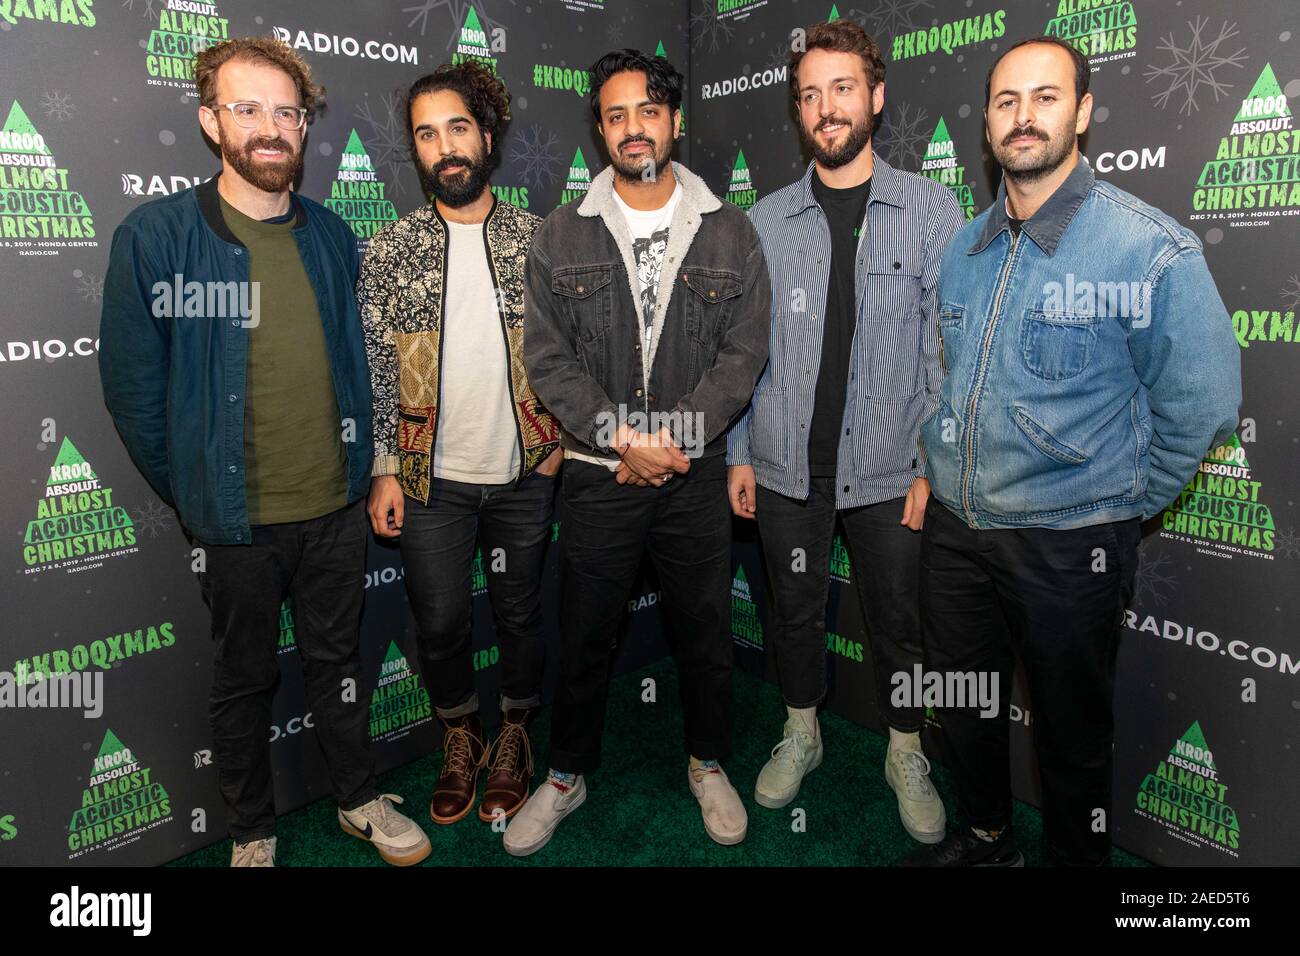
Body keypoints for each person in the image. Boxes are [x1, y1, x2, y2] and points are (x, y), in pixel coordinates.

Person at [908, 36, 1241, 867]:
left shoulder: (1146, 248)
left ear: (1084, 112)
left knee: (1069, 734)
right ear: (986, 123)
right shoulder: (963, 248)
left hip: (1070, 544)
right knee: (963, 704)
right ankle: (986, 839)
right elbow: (952, 384)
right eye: (1007, 101)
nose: (1024, 117)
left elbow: (1202, 407)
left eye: (1046, 97)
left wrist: (1117, 505)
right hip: (955, 531)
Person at [98, 37, 430, 867]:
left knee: (338, 664)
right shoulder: (156, 237)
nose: (271, 128)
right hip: (236, 523)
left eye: (288, 111)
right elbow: (136, 394)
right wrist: (201, 489)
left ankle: (357, 799)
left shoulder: (330, 233)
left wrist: (374, 468)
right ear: (211, 120)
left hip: (336, 507)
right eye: (247, 109)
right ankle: (251, 830)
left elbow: (365, 361)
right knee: (244, 681)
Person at [506, 48, 771, 856]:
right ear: (600, 129)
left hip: (692, 481)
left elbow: (744, 353)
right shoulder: (560, 233)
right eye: (616, 115)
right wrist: (626, 439)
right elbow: (546, 357)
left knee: (703, 632)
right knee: (585, 634)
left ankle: (707, 762)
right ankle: (565, 774)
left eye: (647, 111)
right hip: (598, 475)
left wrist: (673, 444)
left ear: (674, 121)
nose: (633, 128)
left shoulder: (731, 230)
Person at [727, 18, 961, 844]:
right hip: (787, 465)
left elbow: (944, 349)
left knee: (898, 618)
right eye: (811, 95)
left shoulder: (932, 210)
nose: (827, 109)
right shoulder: (765, 219)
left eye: (843, 88)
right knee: (793, 608)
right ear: (799, 111)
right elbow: (741, 351)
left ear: (876, 95)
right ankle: (803, 731)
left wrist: (935, 464)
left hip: (894, 467)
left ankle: (905, 749)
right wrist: (737, 451)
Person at [359, 62, 561, 829]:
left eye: (457, 127)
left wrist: (560, 441)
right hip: (427, 482)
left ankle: (513, 732)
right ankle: (460, 732)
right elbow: (378, 372)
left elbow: (573, 354)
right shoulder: (388, 250)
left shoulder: (541, 240)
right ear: (414, 149)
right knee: (440, 619)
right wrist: (384, 467)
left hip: (523, 476)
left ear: (486, 134)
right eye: (425, 132)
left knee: (518, 613)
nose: (444, 146)